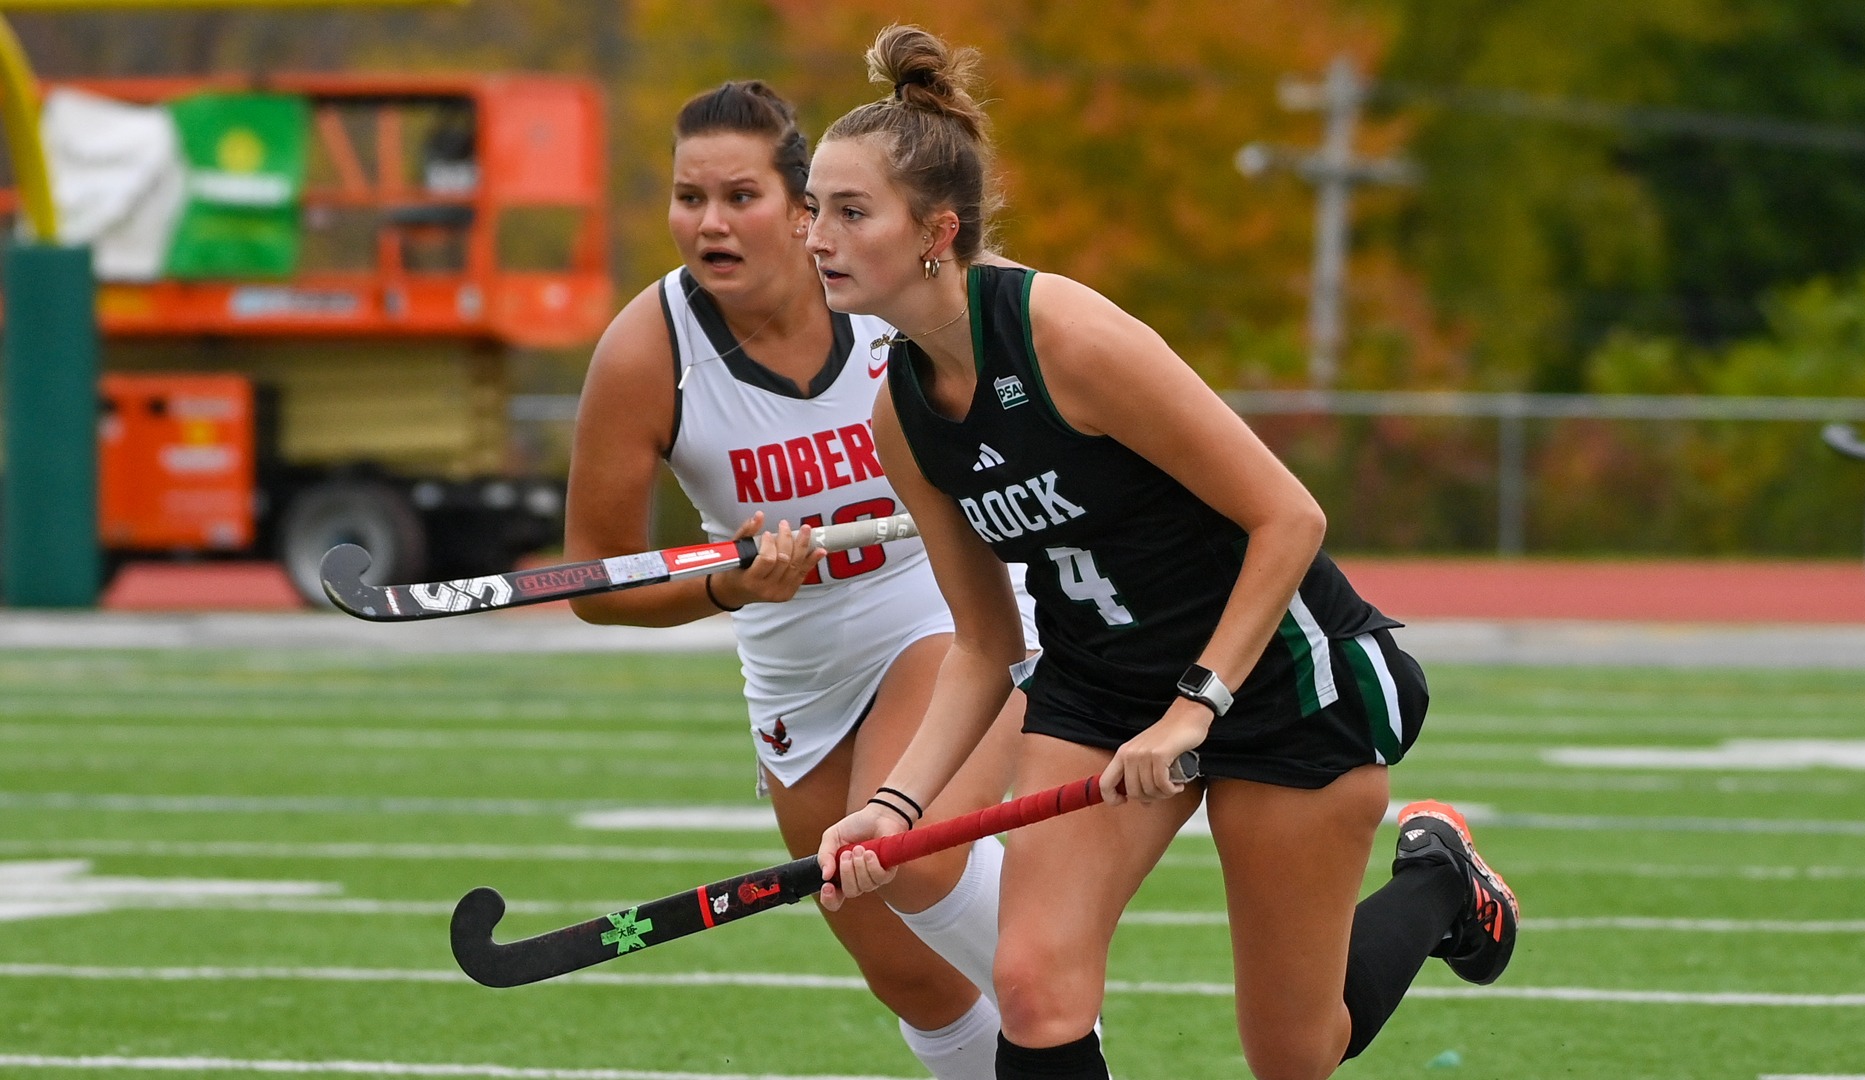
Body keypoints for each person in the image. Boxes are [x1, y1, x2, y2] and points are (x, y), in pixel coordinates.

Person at [807, 26, 1521, 1080]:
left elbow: (1290, 519)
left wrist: (1197, 702)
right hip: (1098, 689)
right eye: (813, 207)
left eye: (849, 211)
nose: (816, 235)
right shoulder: (901, 417)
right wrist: (892, 807)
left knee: (1294, 1052)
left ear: (936, 231)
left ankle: (1439, 883)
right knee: (1035, 989)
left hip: (1274, 680)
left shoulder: (1067, 338)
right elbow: (983, 642)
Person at [565, 80, 1031, 1080]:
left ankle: (1060, 1005)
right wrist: (729, 588)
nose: (710, 223)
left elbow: (1039, 397)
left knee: (912, 854)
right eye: (690, 198)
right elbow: (597, 583)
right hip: (799, 670)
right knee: (905, 969)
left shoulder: (891, 289)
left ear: (803, 205)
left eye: (742, 196)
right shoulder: (649, 352)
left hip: (946, 611)